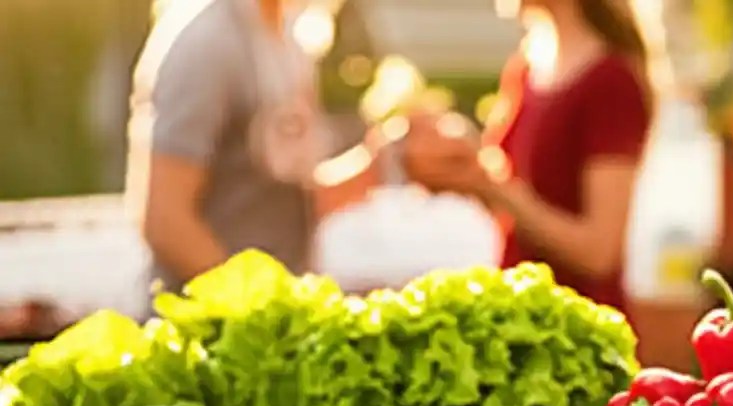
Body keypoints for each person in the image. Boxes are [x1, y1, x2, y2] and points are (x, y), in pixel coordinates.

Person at [403, 0, 653, 317]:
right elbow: (519, 206)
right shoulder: (526, 68)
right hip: (521, 317)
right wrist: (458, 168)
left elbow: (599, 251)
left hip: (575, 329)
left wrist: (494, 189)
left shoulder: (611, 82)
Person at [125, 0, 377, 289]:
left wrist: (378, 166)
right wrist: (260, 309)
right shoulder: (207, 41)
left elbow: (284, 196)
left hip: (269, 322)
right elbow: (166, 221)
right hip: (210, 328)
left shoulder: (286, 35)